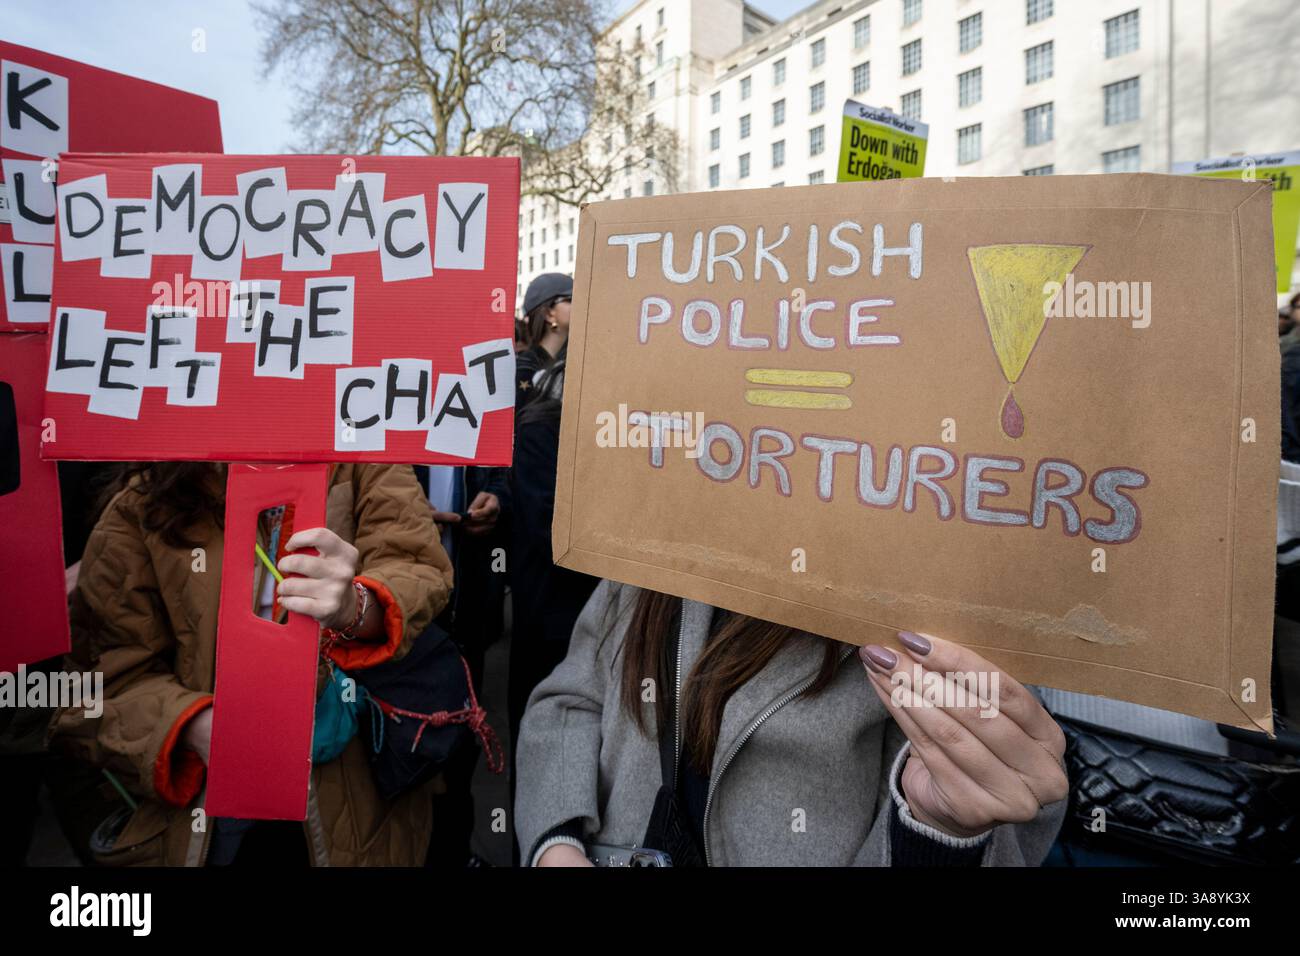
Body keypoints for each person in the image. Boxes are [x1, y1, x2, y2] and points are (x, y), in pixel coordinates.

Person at [51, 461, 452, 866]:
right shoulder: (143, 499)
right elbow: (98, 683)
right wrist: (191, 725)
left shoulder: (364, 459)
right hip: (206, 813)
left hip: (350, 795)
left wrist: (354, 605)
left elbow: (415, 564)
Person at [516, 583, 1068, 866]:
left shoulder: (948, 591)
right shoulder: (657, 519)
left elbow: (1000, 813)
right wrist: (556, 843)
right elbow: (572, 696)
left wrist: (936, 831)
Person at [515, 272, 572, 409]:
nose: (583, 304)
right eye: (570, 299)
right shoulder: (524, 369)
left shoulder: (579, 361)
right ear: (548, 314)